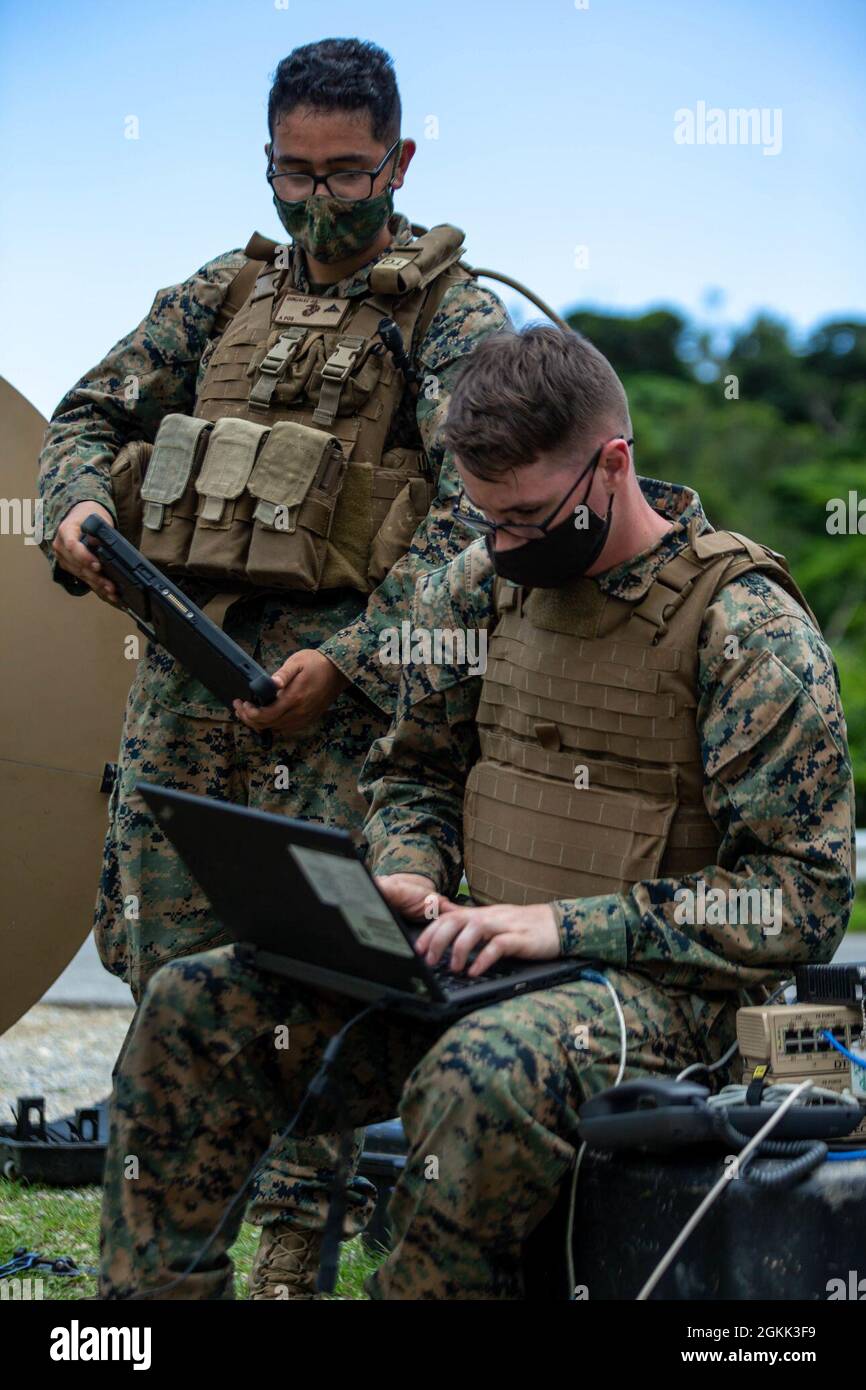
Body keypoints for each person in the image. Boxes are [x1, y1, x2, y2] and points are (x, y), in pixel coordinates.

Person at [98, 325, 855, 1300]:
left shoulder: (742, 629)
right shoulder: (481, 583)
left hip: (673, 994)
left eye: (527, 515)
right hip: (476, 959)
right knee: (200, 1000)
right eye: (482, 515)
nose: (500, 544)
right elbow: (414, 767)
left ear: (611, 464)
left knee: (483, 1073)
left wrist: (560, 925)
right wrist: (407, 871)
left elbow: (798, 898)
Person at [36, 37, 510, 1298]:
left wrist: (348, 665)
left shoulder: (452, 320)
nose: (317, 201)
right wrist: (76, 510)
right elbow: (89, 412)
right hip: (187, 687)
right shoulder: (220, 297)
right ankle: (148, 1282)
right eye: (291, 172)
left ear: (399, 161)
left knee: (316, 981)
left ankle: (297, 1259)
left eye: (347, 175)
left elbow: (478, 520)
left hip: (345, 710)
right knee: (162, 963)